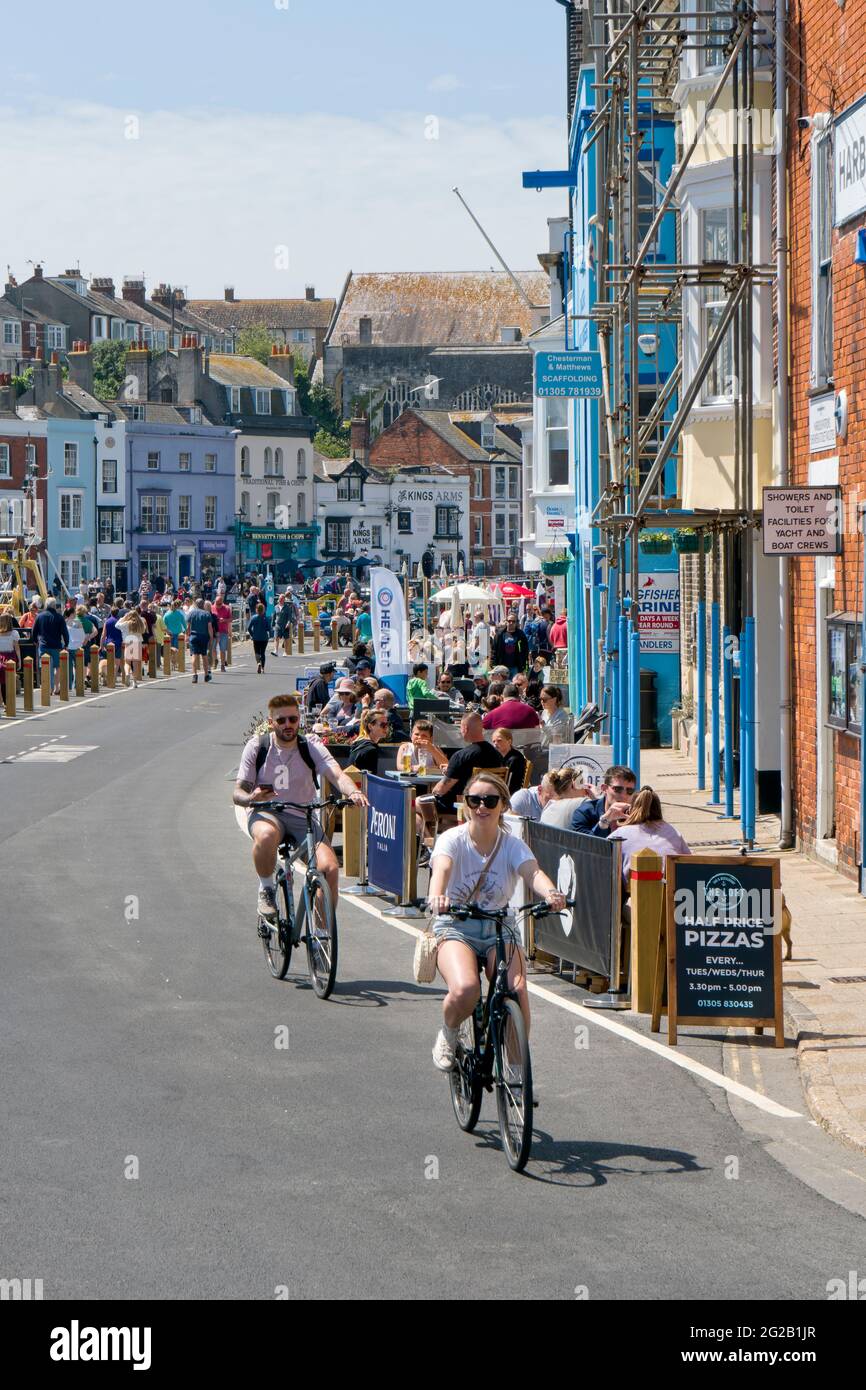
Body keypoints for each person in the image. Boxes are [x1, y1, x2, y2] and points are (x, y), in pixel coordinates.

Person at [426, 772, 566, 1071]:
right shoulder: (452, 839)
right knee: (466, 989)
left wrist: (551, 892)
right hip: (456, 926)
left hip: (499, 927)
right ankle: (449, 1032)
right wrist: (436, 896)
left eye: (490, 800)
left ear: (502, 804)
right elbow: (441, 868)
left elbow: (533, 873)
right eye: (474, 800)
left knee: (517, 991)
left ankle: (516, 1074)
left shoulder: (512, 845)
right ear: (465, 803)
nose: (481, 807)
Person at [233, 692, 369, 922]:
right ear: (271, 723)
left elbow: (336, 773)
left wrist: (353, 791)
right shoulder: (258, 746)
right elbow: (238, 792)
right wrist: (251, 798)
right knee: (266, 835)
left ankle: (321, 937)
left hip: (302, 815)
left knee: (329, 869)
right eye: (281, 720)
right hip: (267, 812)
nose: (288, 725)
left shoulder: (310, 745)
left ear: (299, 720)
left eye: (293, 720)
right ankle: (266, 889)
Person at [428, 709, 507, 824]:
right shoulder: (497, 755)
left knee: (420, 802)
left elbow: (441, 789)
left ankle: (430, 838)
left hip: (464, 805)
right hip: (490, 803)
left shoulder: (461, 756)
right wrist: (452, 769)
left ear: (465, 728)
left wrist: (433, 791)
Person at [607, 787, 691, 890]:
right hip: (671, 896)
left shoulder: (620, 834)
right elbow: (689, 862)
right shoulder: (672, 831)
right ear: (659, 809)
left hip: (634, 896)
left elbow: (600, 860)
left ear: (630, 810)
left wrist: (605, 820)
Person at [571, 765, 637, 837]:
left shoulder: (636, 815)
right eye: (618, 789)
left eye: (630, 791)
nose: (624, 795)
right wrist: (604, 822)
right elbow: (582, 845)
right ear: (604, 788)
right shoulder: (585, 812)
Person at [33, 596, 69, 695]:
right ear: (54, 606)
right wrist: (66, 643)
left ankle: (48, 688)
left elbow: (34, 631)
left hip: (44, 645)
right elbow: (65, 632)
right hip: (56, 646)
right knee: (57, 667)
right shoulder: (59, 617)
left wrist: (35, 641)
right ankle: (57, 688)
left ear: (46, 605)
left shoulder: (39, 616)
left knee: (45, 667)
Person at [347, 708, 391, 775]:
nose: (386, 728)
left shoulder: (359, 743)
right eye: (382, 725)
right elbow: (371, 780)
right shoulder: (371, 750)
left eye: (387, 724)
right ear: (370, 726)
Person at [489, 727, 528, 794]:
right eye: (494, 741)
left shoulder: (515, 759)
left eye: (499, 740)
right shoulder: (498, 756)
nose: (495, 743)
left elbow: (512, 784)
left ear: (509, 741)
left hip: (510, 793)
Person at [186, 597, 215, 684]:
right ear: (203, 605)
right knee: (204, 655)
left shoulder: (191, 613)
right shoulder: (207, 614)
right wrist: (211, 638)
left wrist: (187, 636)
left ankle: (194, 675)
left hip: (194, 636)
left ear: (195, 604)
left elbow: (188, 627)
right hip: (203, 636)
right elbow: (210, 628)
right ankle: (206, 675)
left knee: (194, 655)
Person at [491, 612, 529, 677]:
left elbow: (525, 651)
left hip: (515, 667)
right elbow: (494, 650)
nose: (511, 623)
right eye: (509, 621)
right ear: (506, 622)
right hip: (502, 666)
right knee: (502, 685)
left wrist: (525, 667)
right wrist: (493, 664)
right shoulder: (500, 634)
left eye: (513, 621)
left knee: (514, 686)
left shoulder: (521, 635)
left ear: (516, 623)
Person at [117, 607, 146, 688]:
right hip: (137, 641)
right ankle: (135, 682)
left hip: (128, 641)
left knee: (127, 662)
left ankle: (127, 674)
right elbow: (144, 629)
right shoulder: (140, 623)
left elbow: (117, 625)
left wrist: (123, 618)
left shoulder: (126, 623)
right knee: (136, 663)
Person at [0, 612, 21, 702]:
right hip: (10, 657)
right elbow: (17, 649)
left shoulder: (12, 633)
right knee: (7, 681)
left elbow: (17, 648)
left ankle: (3, 701)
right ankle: (6, 702)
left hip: (3, 658)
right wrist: (19, 660)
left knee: (3, 681)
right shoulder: (14, 633)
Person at [246, 601, 271, 675]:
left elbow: (249, 628)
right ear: (263, 610)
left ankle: (258, 663)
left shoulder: (254, 618)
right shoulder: (266, 618)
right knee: (262, 653)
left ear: (257, 609)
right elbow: (269, 628)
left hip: (256, 637)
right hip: (264, 637)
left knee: (257, 652)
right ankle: (263, 668)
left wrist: (252, 634)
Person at [212, 592, 232, 672]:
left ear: (222, 602)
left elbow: (230, 619)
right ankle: (215, 660)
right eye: (217, 604)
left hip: (223, 631)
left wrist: (224, 620)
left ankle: (222, 665)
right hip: (214, 631)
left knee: (222, 649)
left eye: (220, 604)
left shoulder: (227, 608)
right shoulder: (212, 608)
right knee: (213, 648)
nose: (218, 606)